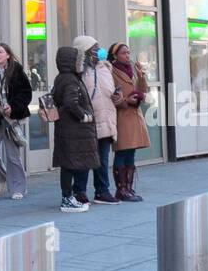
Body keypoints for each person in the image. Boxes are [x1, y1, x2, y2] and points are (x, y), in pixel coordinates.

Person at [51, 44, 98, 213]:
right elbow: (71, 103)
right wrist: (84, 116)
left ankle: (68, 197)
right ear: (71, 61)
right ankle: (67, 198)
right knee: (70, 164)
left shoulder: (62, 77)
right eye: (79, 59)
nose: (82, 63)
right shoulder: (71, 79)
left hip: (67, 128)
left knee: (68, 163)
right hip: (73, 129)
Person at [0, 42, 31, 200]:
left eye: (0, 52)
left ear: (8, 55)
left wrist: (13, 107)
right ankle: (2, 177)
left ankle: (18, 188)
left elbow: (26, 93)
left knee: (12, 155)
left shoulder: (16, 70)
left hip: (11, 119)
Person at [78, 35, 120, 204]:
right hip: (88, 120)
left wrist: (118, 96)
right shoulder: (79, 71)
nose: (99, 50)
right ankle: (79, 191)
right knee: (85, 158)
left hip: (106, 118)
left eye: (98, 46)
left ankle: (102, 191)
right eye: (94, 48)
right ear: (85, 51)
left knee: (102, 159)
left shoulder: (105, 68)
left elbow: (110, 92)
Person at [108, 41, 150, 200]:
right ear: (115, 55)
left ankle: (129, 188)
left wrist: (141, 76)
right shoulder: (111, 71)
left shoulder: (131, 70)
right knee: (122, 152)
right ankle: (121, 189)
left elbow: (142, 92)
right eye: (124, 53)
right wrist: (126, 101)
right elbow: (110, 96)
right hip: (122, 116)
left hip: (134, 115)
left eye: (128, 52)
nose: (127, 55)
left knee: (131, 153)